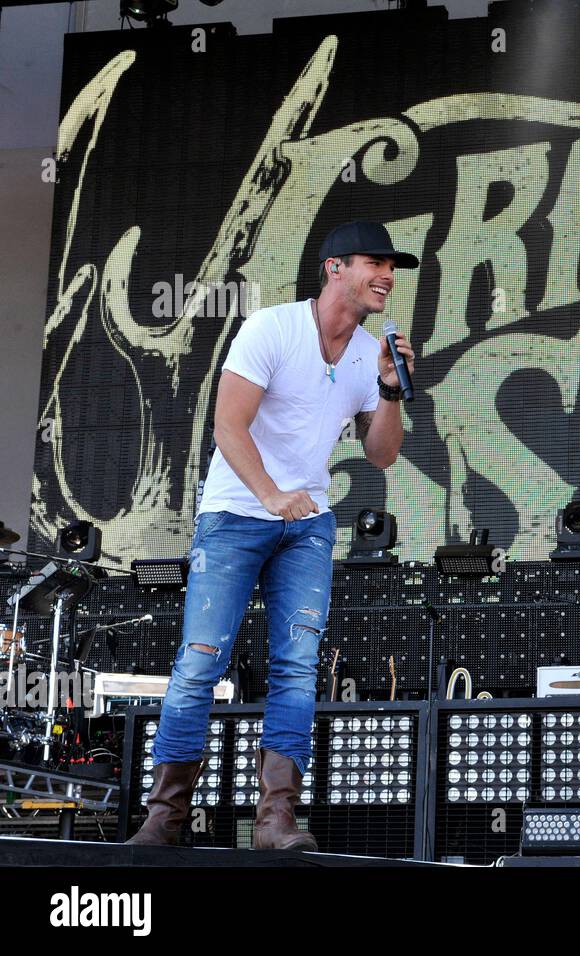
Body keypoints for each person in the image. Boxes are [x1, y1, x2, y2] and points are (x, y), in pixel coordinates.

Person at [128, 221, 418, 849]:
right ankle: (165, 816)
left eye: (394, 267)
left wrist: (391, 391)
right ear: (334, 267)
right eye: (377, 263)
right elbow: (227, 426)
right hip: (236, 513)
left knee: (295, 668)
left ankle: (276, 820)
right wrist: (269, 495)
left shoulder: (371, 353)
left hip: (306, 527)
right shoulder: (272, 328)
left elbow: (382, 455)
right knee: (200, 661)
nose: (389, 277)